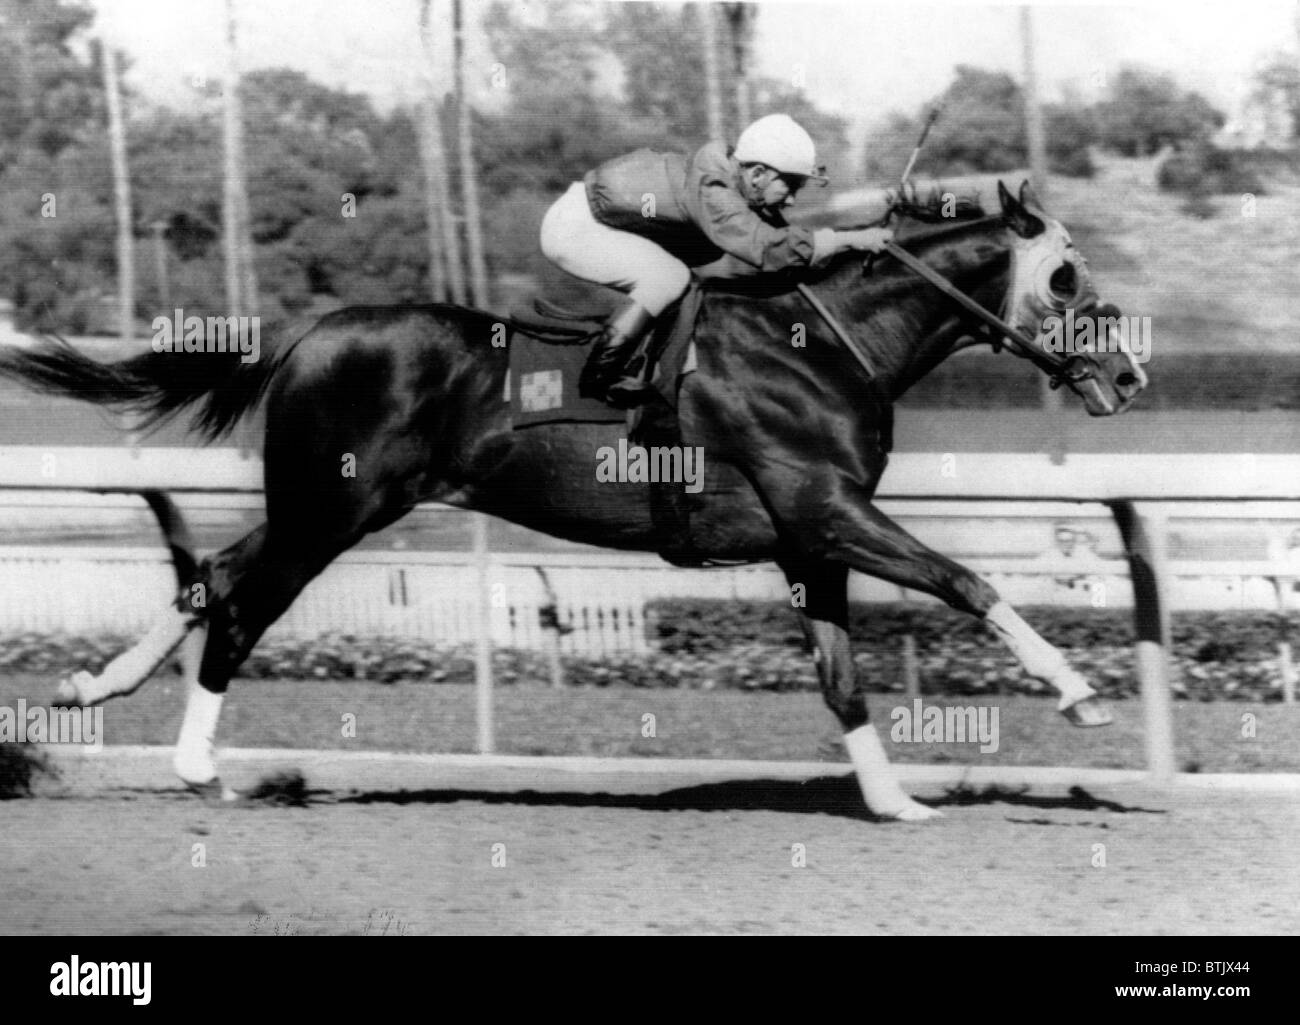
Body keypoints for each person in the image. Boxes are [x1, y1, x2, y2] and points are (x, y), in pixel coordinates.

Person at [539, 113, 895, 407]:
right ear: (758, 175)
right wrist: (850, 239)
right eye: (790, 187)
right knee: (669, 278)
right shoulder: (715, 194)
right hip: (574, 228)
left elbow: (785, 244)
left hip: (602, 220)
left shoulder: (737, 181)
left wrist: (844, 241)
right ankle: (600, 380)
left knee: (683, 283)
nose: (790, 201)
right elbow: (767, 249)